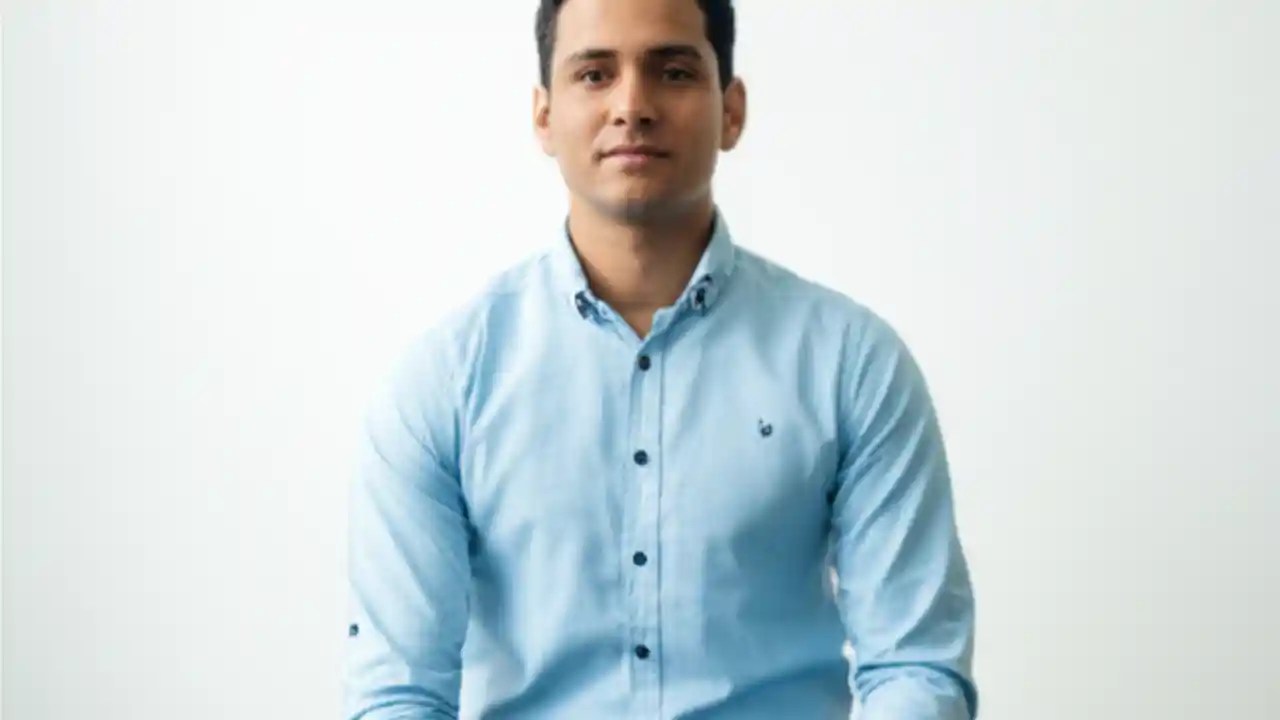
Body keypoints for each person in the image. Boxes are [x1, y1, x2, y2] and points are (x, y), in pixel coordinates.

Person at [343, 0, 978, 717]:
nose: (632, 106)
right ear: (544, 116)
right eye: (594, 73)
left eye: (672, 71)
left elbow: (914, 666)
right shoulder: (446, 381)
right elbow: (398, 693)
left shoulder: (850, 363)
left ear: (731, 110)